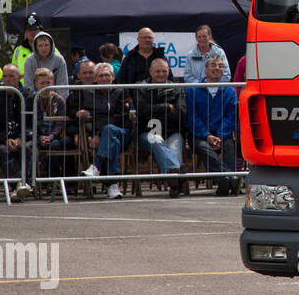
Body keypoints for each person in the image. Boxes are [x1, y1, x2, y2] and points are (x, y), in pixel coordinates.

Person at [79, 62, 133, 199]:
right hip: (107, 138)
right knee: (111, 142)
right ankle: (113, 186)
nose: (104, 79)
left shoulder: (121, 92)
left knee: (110, 131)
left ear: (113, 77)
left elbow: (119, 118)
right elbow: (84, 114)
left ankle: (96, 166)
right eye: (100, 76)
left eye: (106, 75)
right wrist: (93, 133)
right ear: (96, 78)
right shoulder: (90, 94)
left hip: (123, 133)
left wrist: (98, 134)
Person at [135, 58, 188, 196]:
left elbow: (180, 113)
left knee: (174, 148)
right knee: (157, 140)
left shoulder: (176, 88)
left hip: (172, 131)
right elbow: (142, 110)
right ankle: (178, 178)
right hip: (147, 132)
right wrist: (166, 107)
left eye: (164, 71)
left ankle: (174, 186)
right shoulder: (141, 87)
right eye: (157, 71)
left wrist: (155, 112)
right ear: (151, 71)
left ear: (169, 71)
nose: (161, 74)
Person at [187, 55, 239, 196]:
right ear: (206, 69)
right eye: (214, 65)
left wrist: (220, 136)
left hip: (223, 135)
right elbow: (193, 117)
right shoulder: (193, 90)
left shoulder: (230, 91)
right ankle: (228, 178)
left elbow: (231, 117)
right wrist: (207, 135)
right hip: (200, 135)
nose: (217, 68)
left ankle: (226, 181)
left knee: (228, 145)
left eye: (220, 66)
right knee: (204, 147)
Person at [0, 65, 33, 201]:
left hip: (24, 138)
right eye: (5, 76)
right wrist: (5, 139)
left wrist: (22, 137)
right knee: (4, 151)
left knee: (25, 148)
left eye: (12, 76)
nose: (8, 79)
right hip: (1, 140)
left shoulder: (29, 96)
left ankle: (20, 186)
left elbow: (36, 121)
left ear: (19, 77)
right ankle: (19, 184)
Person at [32, 68, 70, 181]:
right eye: (42, 83)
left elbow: (60, 123)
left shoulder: (59, 100)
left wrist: (51, 136)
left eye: (48, 82)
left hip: (54, 136)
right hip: (36, 136)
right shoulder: (32, 100)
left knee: (56, 146)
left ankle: (54, 180)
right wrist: (39, 137)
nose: (45, 86)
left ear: (52, 82)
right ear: (36, 84)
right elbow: (31, 122)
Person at [21, 30, 69, 100]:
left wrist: (59, 102)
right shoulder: (30, 60)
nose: (44, 48)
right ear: (35, 47)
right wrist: (34, 101)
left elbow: (63, 84)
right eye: (40, 46)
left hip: (56, 101)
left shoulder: (59, 59)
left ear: (51, 45)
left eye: (46, 45)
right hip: (35, 101)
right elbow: (28, 85)